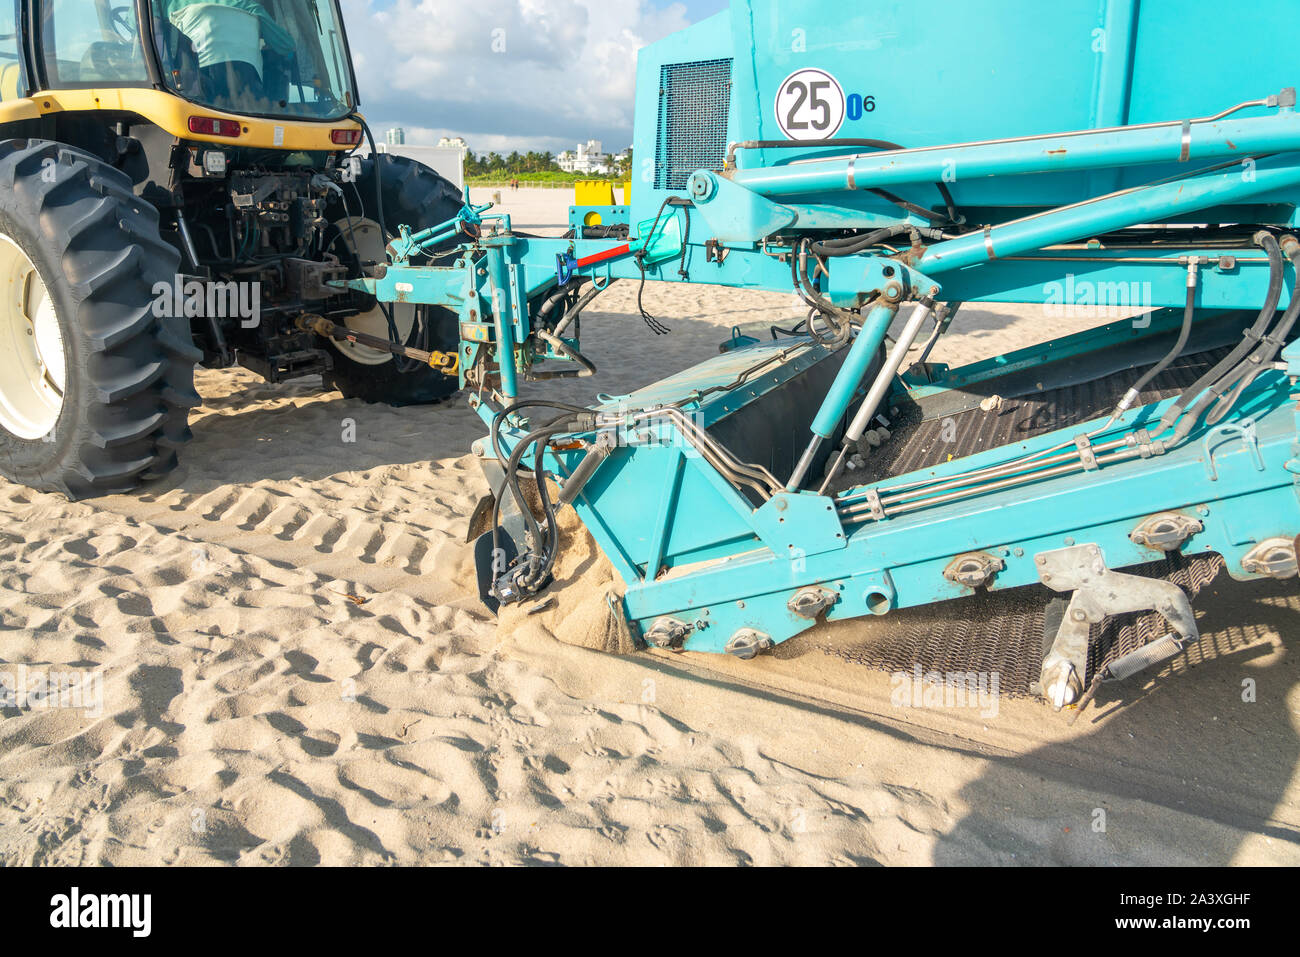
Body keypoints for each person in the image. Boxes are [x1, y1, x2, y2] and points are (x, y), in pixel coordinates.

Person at [160, 0, 294, 108]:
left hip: (193, 90)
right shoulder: (249, 6)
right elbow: (286, 46)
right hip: (247, 92)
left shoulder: (169, 4)